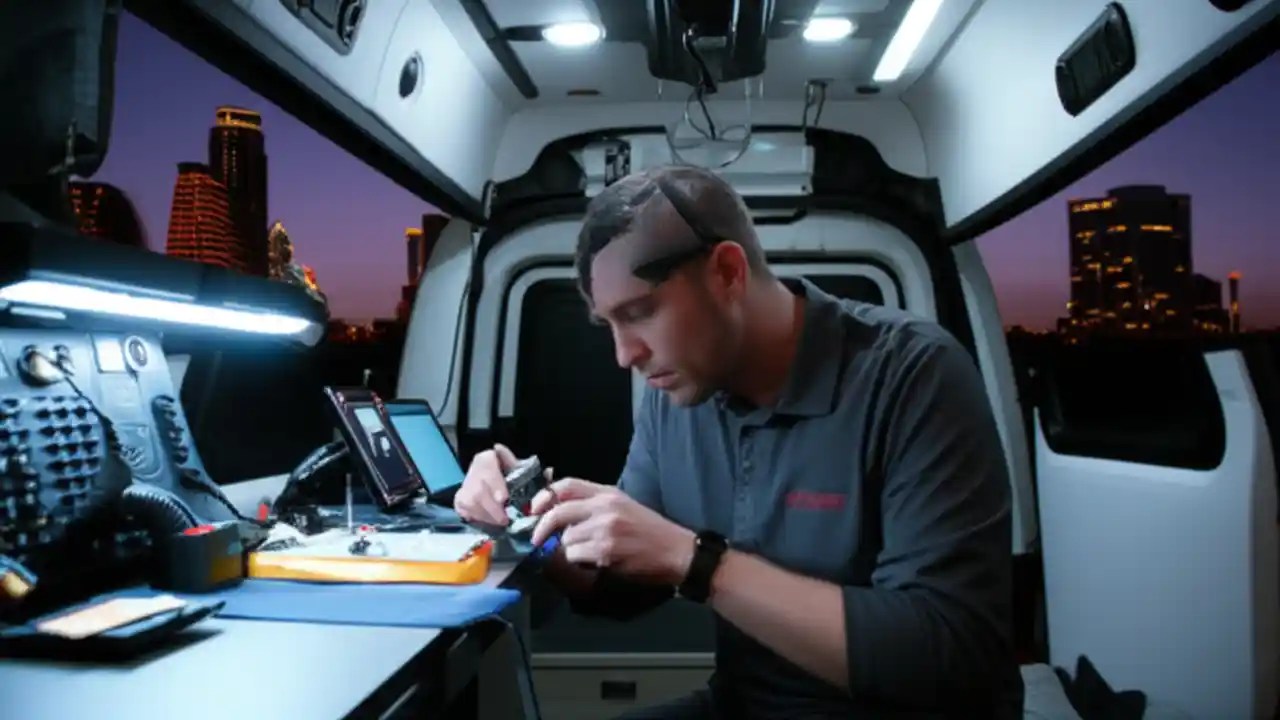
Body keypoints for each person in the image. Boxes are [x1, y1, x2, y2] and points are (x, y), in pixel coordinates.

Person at [454, 164, 1024, 718]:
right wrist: (532, 526)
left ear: (727, 273)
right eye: (610, 326)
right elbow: (621, 589)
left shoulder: (913, 374)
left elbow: (948, 654)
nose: (625, 356)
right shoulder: (676, 397)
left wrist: (696, 563)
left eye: (641, 313)